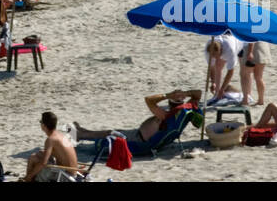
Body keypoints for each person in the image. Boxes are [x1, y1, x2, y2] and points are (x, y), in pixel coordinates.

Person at [74, 89, 202, 145]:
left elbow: (148, 100)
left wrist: (168, 95)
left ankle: (81, 135)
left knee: (110, 133)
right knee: (113, 131)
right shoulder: (183, 111)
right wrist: (185, 93)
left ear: (170, 103)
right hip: (141, 136)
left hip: (139, 140)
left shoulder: (166, 115)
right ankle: (83, 131)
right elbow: (198, 93)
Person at [22, 111, 79, 182]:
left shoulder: (51, 139)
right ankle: (28, 179)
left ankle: (28, 179)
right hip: (72, 172)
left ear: (44, 125)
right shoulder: (60, 135)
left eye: (41, 122)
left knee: (33, 158)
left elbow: (43, 163)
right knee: (39, 154)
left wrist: (29, 175)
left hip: (65, 176)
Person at [206, 33, 243, 99]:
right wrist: (213, 82)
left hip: (241, 43)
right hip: (225, 38)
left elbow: (230, 71)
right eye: (213, 56)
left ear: (221, 50)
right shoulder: (207, 50)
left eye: (216, 56)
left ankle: (245, 95)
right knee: (217, 66)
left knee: (244, 72)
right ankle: (217, 93)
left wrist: (222, 89)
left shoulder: (230, 50)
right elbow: (211, 68)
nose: (215, 58)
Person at [240, 40, 271, 106]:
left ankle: (245, 100)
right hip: (263, 46)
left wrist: (250, 52)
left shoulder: (252, 29)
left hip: (252, 47)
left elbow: (251, 37)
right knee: (259, 77)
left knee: (245, 75)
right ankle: (261, 100)